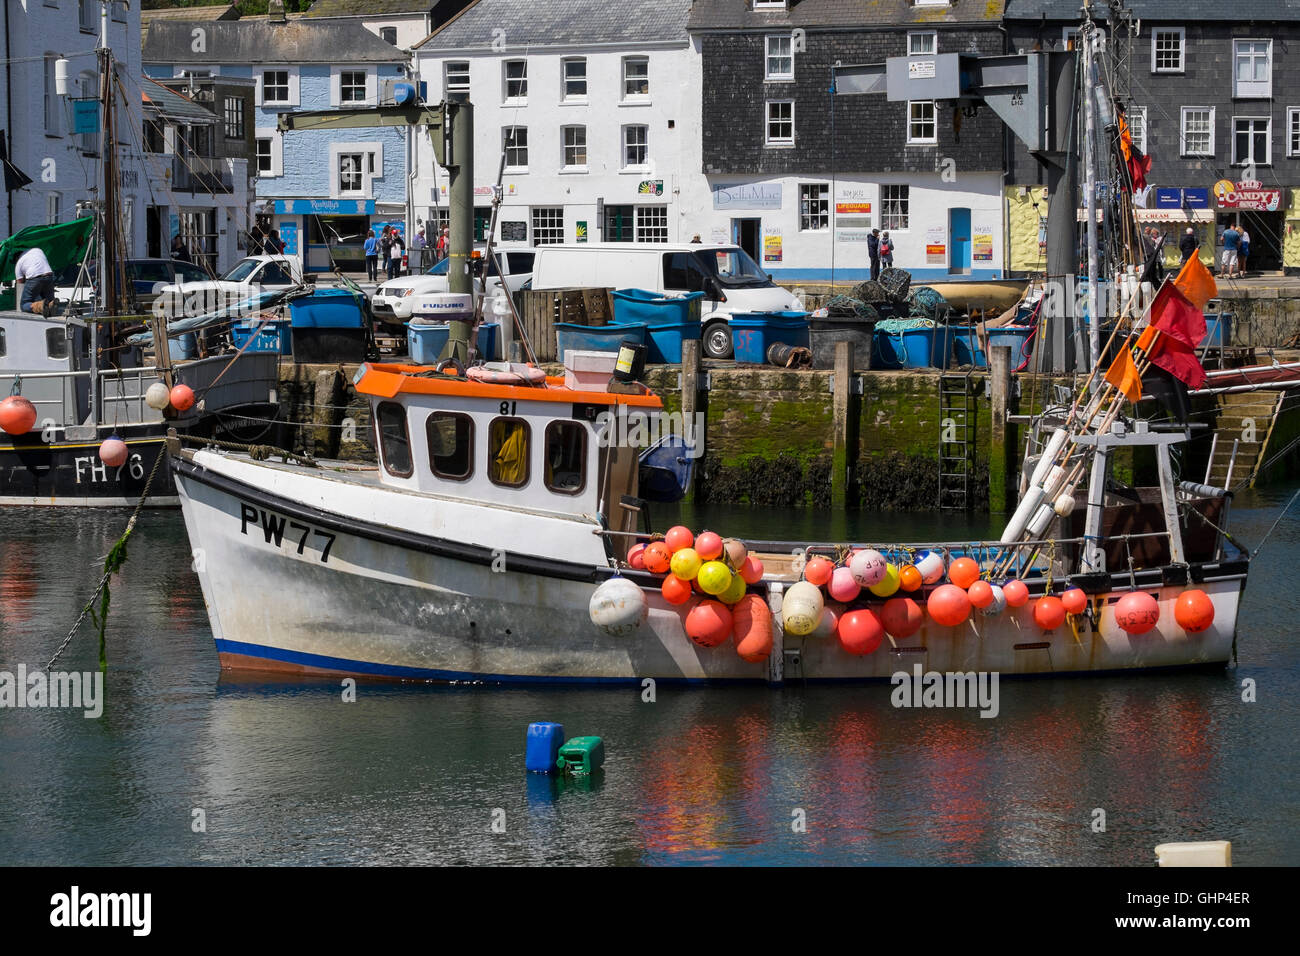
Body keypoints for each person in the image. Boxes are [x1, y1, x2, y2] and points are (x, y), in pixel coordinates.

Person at [14, 245, 56, 315]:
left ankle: (41, 306)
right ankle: (51, 304)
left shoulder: (19, 263)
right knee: (48, 300)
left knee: (24, 304)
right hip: (49, 275)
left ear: (17, 258)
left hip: (34, 278)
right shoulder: (37, 250)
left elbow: (20, 283)